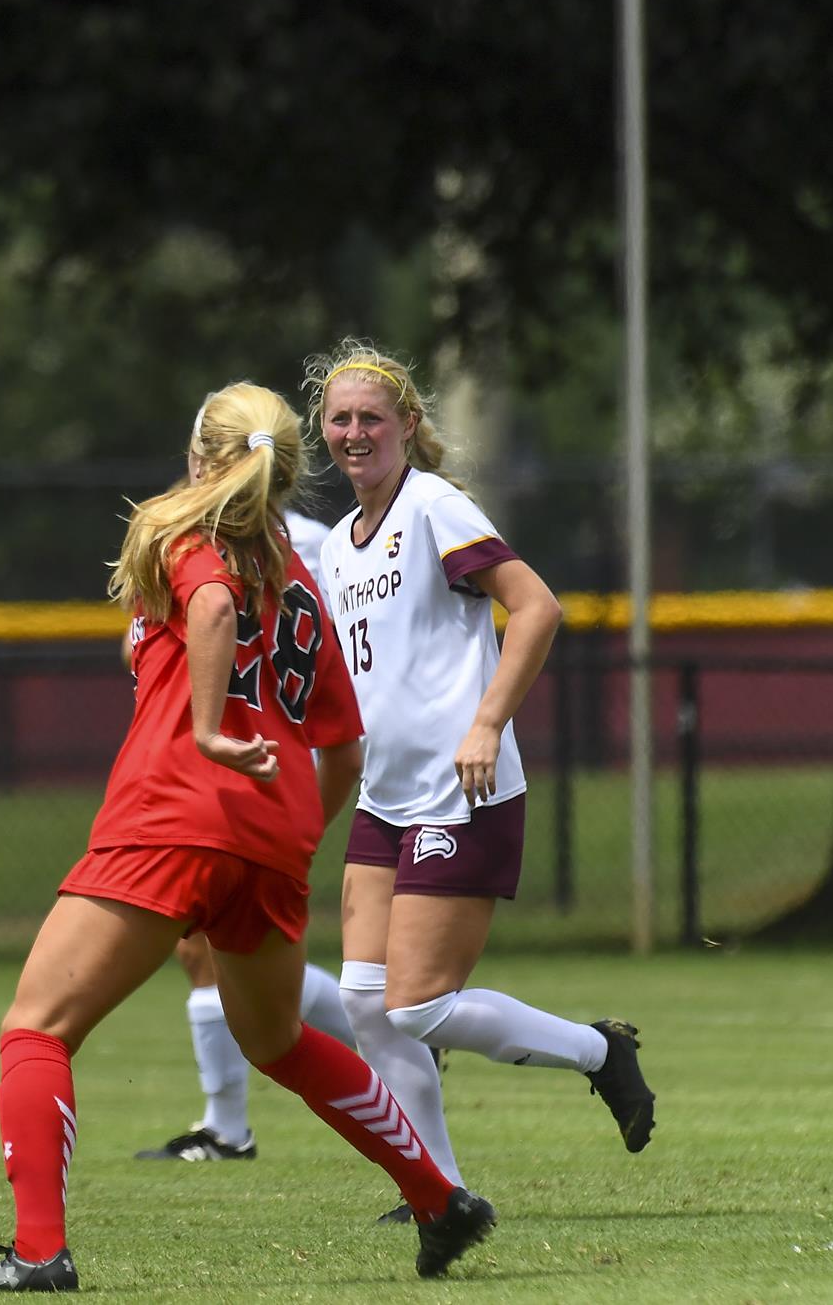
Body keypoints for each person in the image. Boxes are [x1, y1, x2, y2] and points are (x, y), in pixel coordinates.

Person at [0, 383, 495, 1293]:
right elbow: (344, 745)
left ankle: (41, 1254)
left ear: (203, 456)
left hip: (176, 810)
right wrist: (296, 836)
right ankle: (440, 1199)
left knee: (35, 1028)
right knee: (278, 1038)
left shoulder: (184, 531)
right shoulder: (301, 575)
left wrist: (205, 729)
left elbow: (207, 609)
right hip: (271, 827)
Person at [309, 342, 656, 1222]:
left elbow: (537, 605)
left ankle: (597, 1051)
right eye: (341, 419)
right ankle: (442, 1189)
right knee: (362, 999)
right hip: (387, 794)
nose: (355, 433)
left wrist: (487, 721)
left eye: (372, 418)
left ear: (408, 426)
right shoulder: (339, 547)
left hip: (460, 791)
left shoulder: (432, 505)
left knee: (419, 1004)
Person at [120, 513, 363, 1165]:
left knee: (41, 1022)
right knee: (240, 976)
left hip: (244, 765)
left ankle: (229, 1125)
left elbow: (222, 623)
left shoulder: (282, 542)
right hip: (228, 774)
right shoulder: (193, 533)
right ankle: (384, 1049)